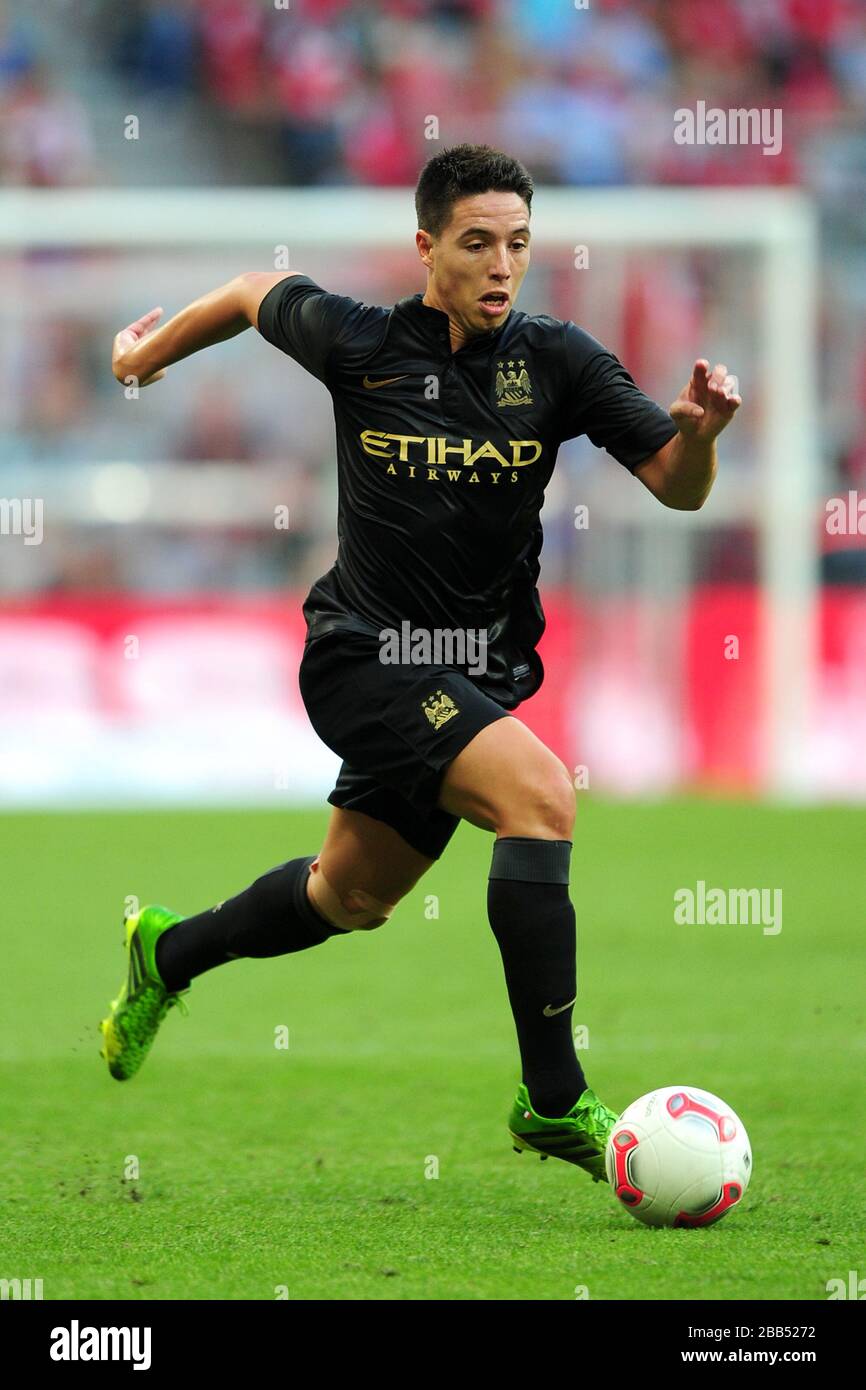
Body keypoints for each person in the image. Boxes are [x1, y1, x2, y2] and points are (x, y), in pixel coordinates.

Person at [102, 144, 740, 1182]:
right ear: (426, 247)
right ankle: (553, 1099)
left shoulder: (561, 361)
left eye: (518, 245)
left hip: (469, 676)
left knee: (346, 897)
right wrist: (147, 357)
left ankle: (164, 954)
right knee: (540, 795)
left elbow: (676, 483)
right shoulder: (359, 342)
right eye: (478, 242)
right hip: (362, 654)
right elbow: (244, 291)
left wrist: (699, 436)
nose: (501, 265)